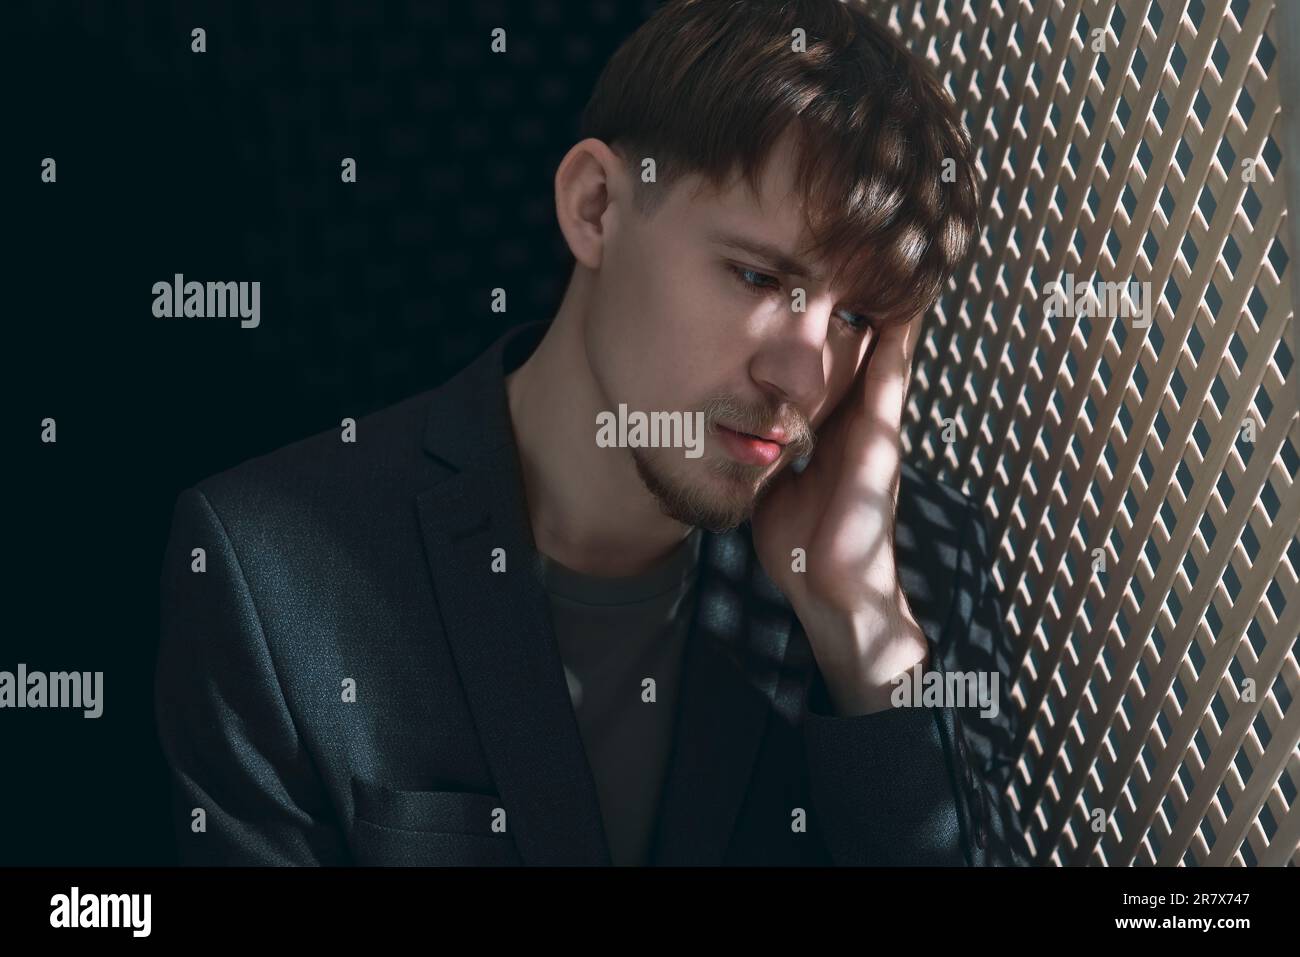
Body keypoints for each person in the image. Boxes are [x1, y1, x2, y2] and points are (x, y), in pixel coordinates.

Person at [156, 0, 1027, 866]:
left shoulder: (909, 576)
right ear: (596, 204)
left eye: (855, 320)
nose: (802, 377)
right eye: (759, 276)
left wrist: (858, 634)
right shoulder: (267, 572)